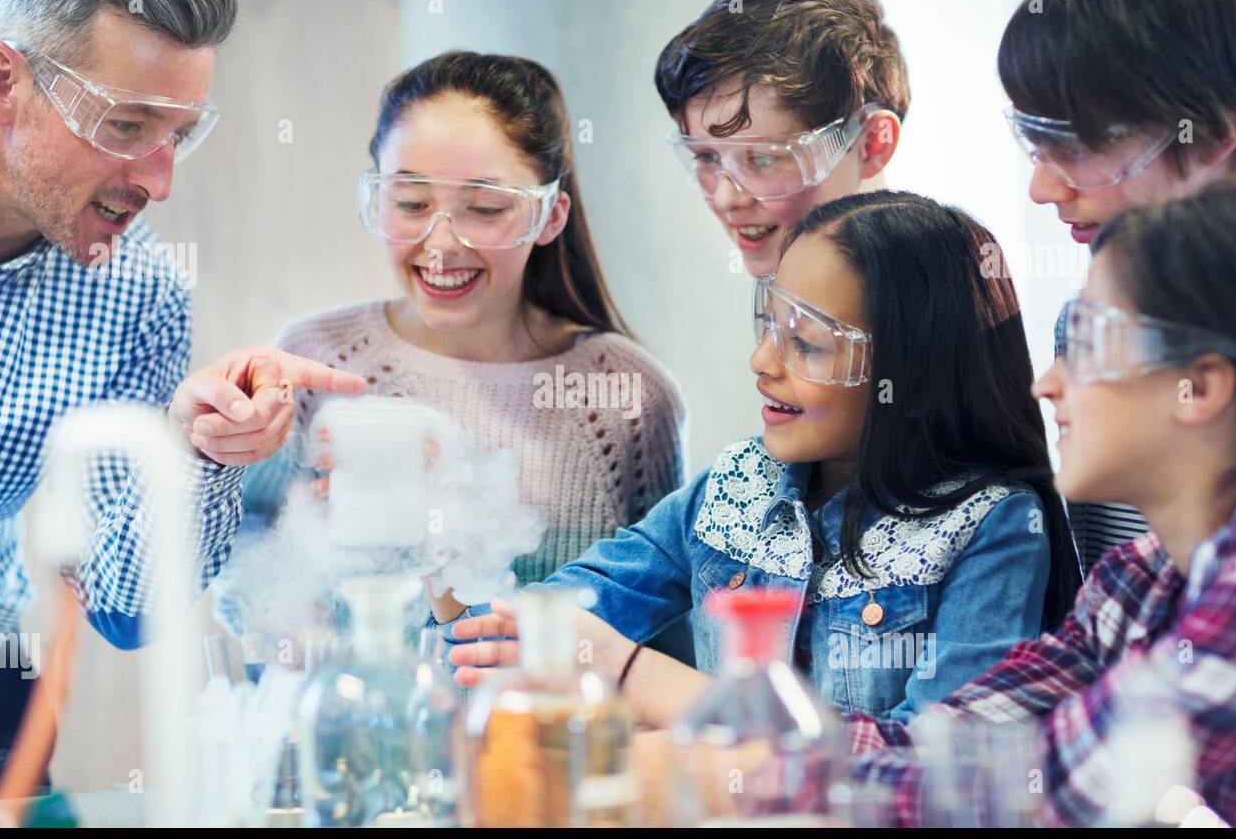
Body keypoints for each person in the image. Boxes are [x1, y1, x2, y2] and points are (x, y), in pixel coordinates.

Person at [0, 0, 363, 798]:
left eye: (179, 135)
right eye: (126, 125)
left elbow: (125, 612)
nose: (158, 181)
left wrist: (197, 456)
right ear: (2, 82)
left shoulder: (141, 292)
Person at [445, 191, 1082, 723]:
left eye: (804, 344)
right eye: (768, 326)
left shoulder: (995, 528)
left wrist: (625, 666)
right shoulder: (733, 485)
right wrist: (417, 510)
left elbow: (935, 767)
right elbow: (499, 635)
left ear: (913, 379)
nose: (762, 361)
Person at [211, 51, 688, 661]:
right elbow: (242, 575)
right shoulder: (316, 359)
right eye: (409, 203)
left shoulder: (626, 396)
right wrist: (300, 566)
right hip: (354, 741)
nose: (440, 245)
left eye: (485, 209)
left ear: (549, 215)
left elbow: (667, 635)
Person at [845, 185, 1236, 826]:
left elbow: (1042, 795)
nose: (1045, 383)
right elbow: (953, 748)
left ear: (1200, 388)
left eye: (1086, 342)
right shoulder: (1134, 582)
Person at [999, 0, 1236, 571]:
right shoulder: (1089, 326)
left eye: (1075, 146)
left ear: (1213, 137)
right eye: (1034, 143)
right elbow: (1104, 630)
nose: (1042, 188)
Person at [654, 0, 907, 280]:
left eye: (762, 157)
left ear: (870, 144)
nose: (724, 198)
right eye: (707, 156)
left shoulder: (944, 319)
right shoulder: (784, 311)